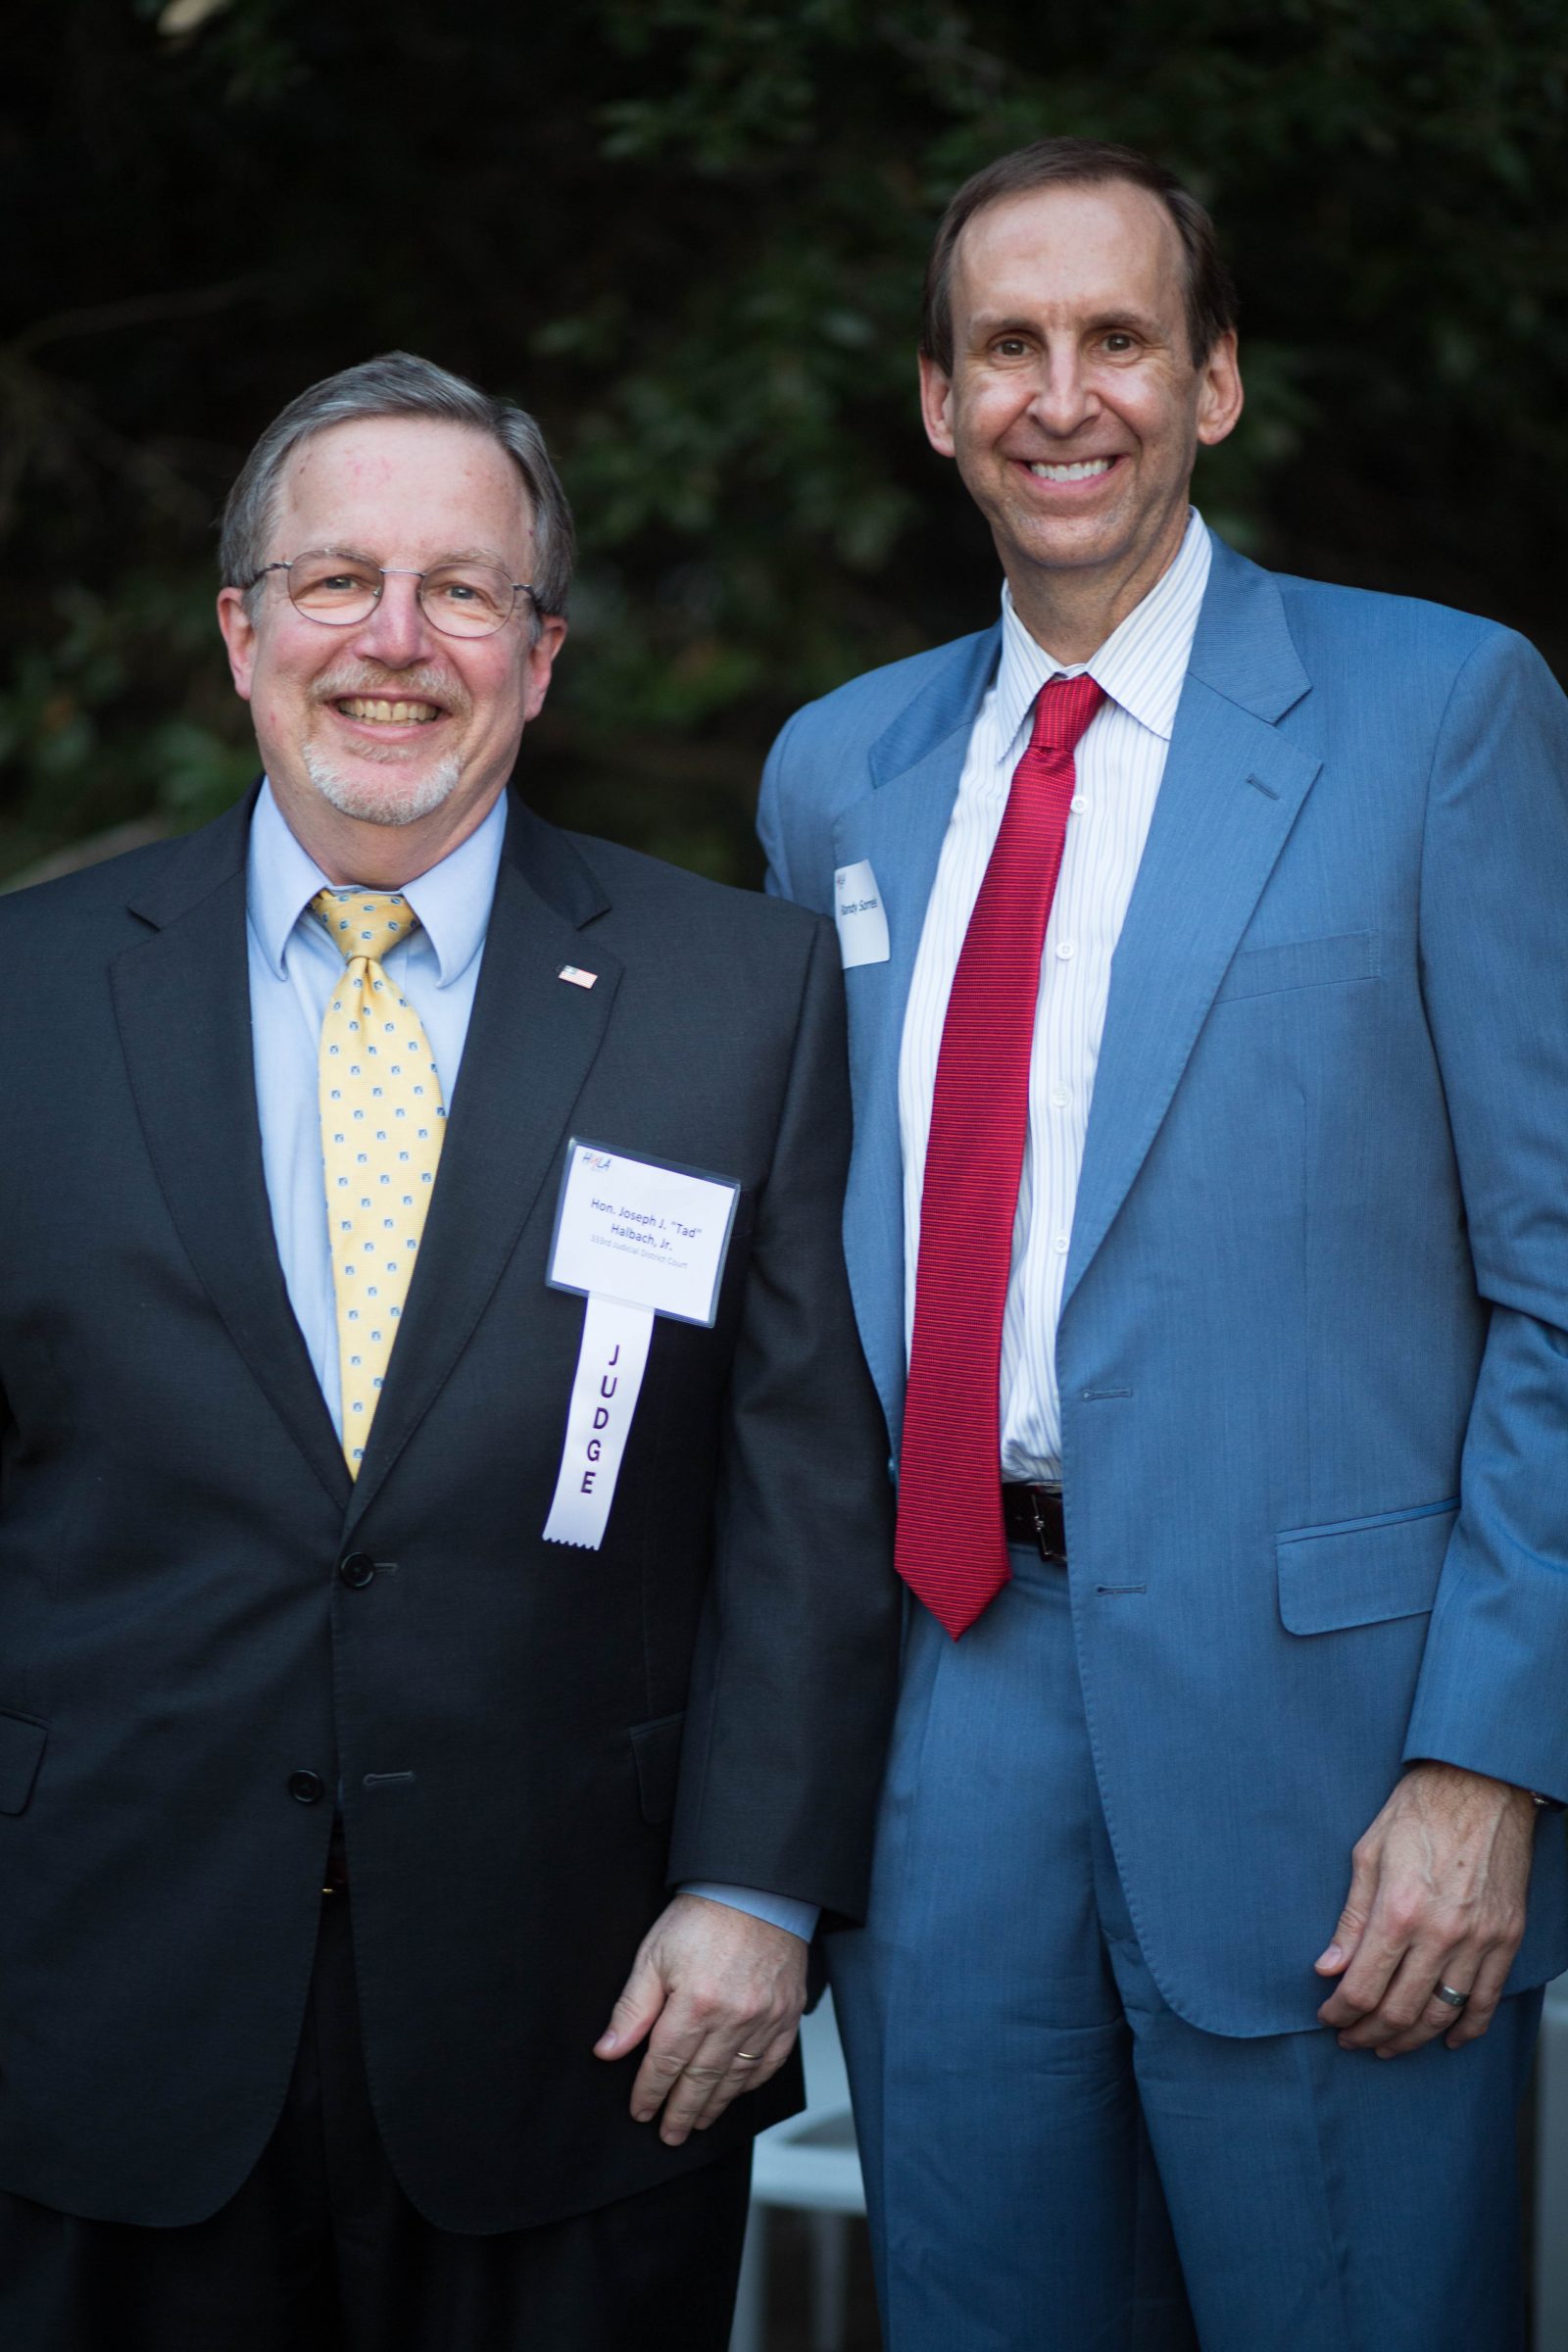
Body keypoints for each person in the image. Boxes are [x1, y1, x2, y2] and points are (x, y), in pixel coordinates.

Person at [0, 350, 898, 2352]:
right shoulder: (27, 996)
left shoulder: (730, 997)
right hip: (95, 2004)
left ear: (542, 656)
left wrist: (758, 1888)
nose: (393, 644)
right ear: (240, 635)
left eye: (464, 591)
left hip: (585, 2024)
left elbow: (805, 1493)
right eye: (334, 583)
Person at [759, 138, 1568, 2351]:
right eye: (1002, 346)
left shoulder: (1438, 718)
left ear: (1210, 383)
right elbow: (805, 1311)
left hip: (1337, 1752)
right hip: (946, 1709)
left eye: (1115, 336)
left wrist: (1486, 1760)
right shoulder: (836, 773)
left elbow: (1557, 1275)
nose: (1059, 393)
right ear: (932, 400)